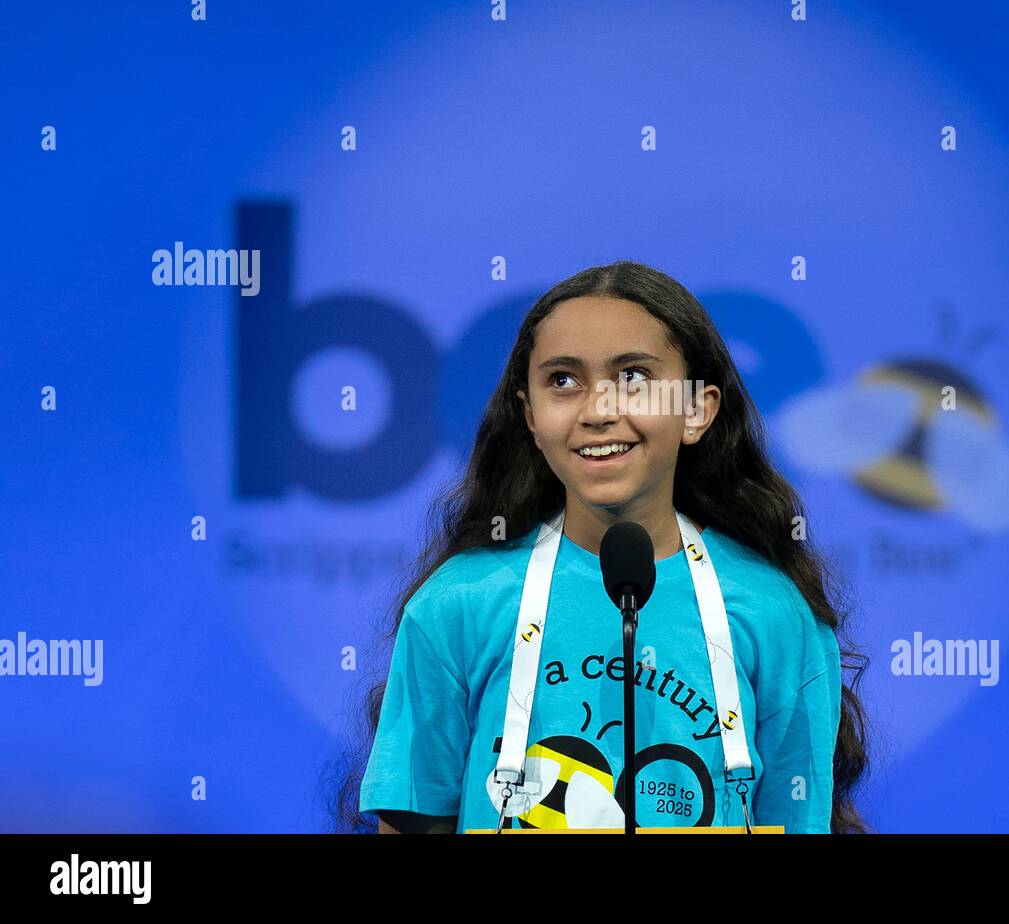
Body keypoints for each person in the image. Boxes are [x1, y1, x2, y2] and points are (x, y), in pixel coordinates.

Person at [334, 260, 871, 833]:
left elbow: (796, 816)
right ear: (531, 417)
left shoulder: (774, 614)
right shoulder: (457, 604)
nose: (598, 410)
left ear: (696, 410)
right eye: (563, 381)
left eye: (635, 377)